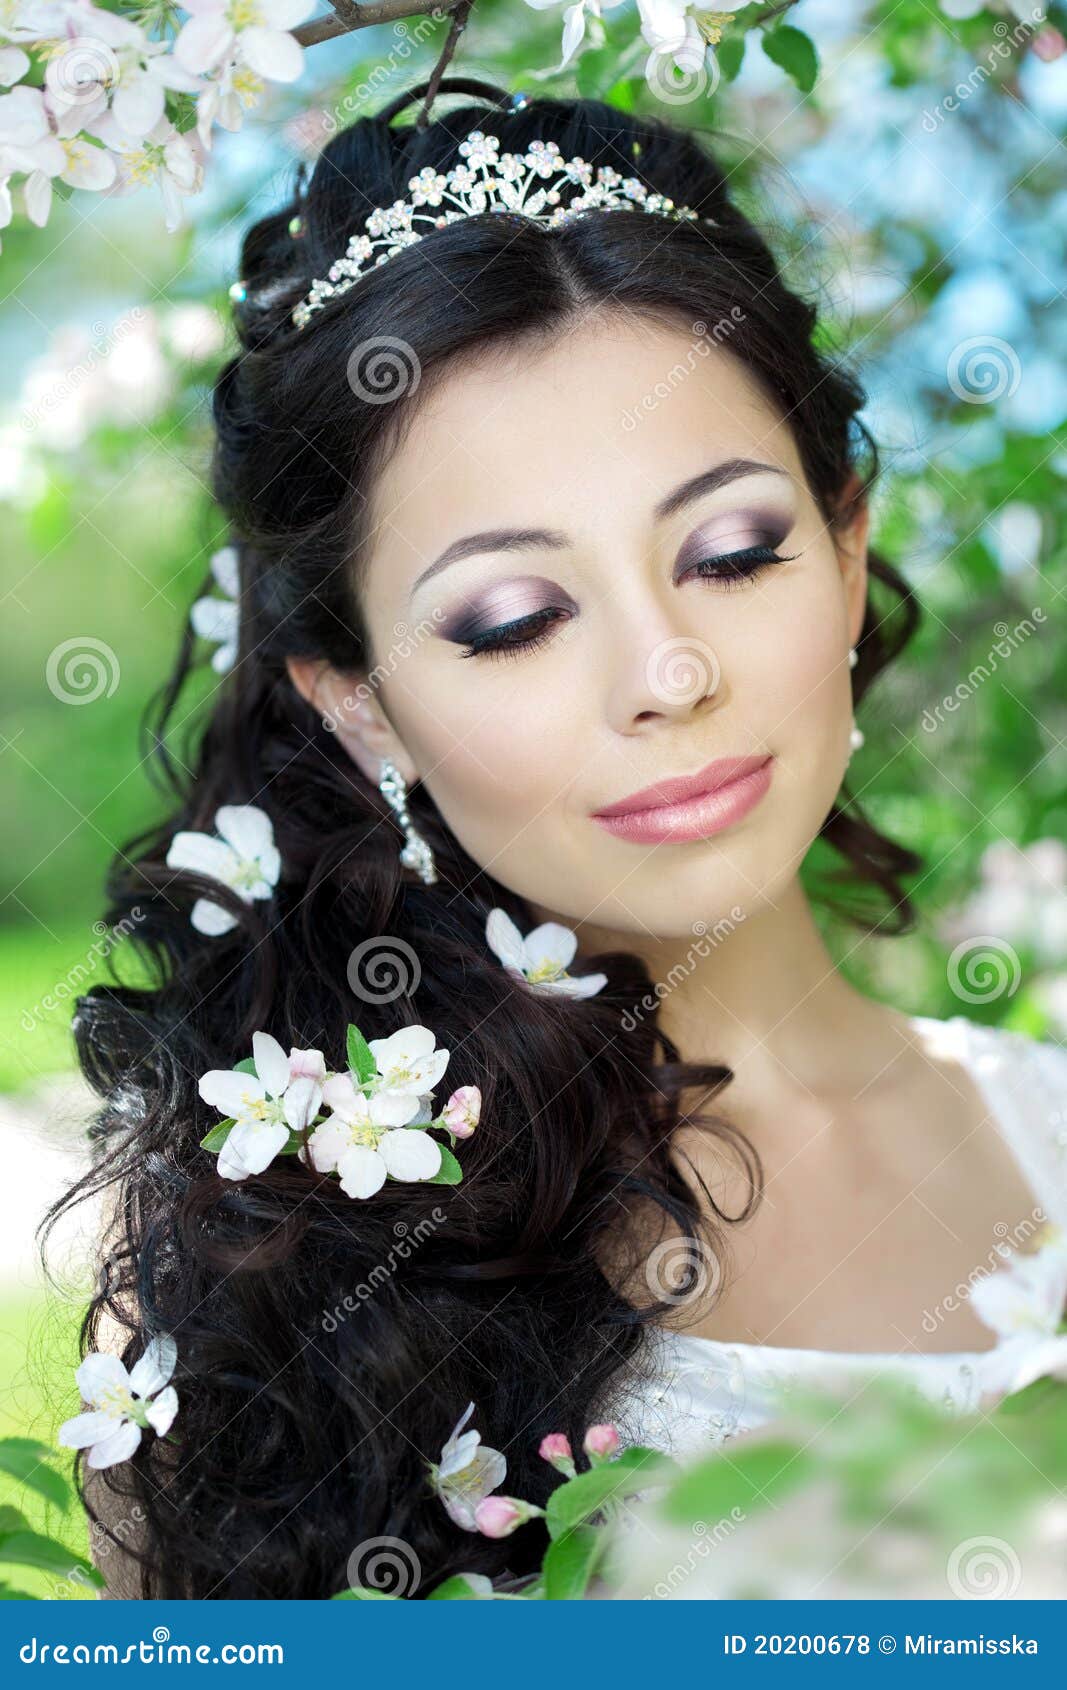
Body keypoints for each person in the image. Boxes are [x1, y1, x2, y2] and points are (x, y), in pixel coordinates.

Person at [48, 75, 1066, 1600]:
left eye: (733, 552)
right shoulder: (271, 1261)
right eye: (514, 620)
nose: (668, 674)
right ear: (361, 707)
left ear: (848, 556)